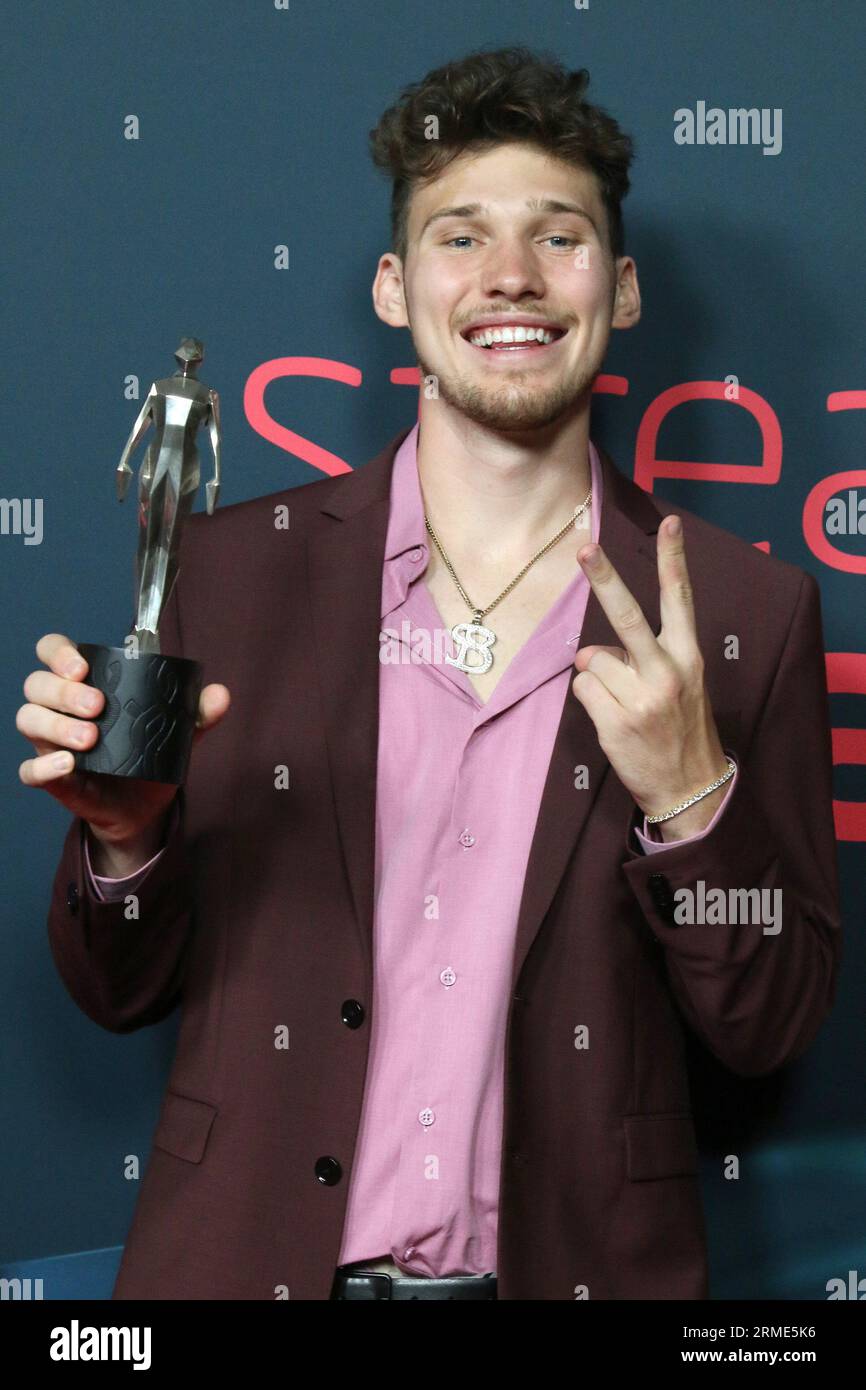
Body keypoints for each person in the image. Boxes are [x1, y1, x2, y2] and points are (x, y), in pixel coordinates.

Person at [19, 47, 841, 1301]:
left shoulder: (742, 611)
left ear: (618, 291)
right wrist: (127, 848)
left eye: (555, 238)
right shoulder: (234, 576)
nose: (509, 274)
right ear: (396, 289)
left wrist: (693, 808)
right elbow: (116, 986)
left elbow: (769, 1019)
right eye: (460, 238)